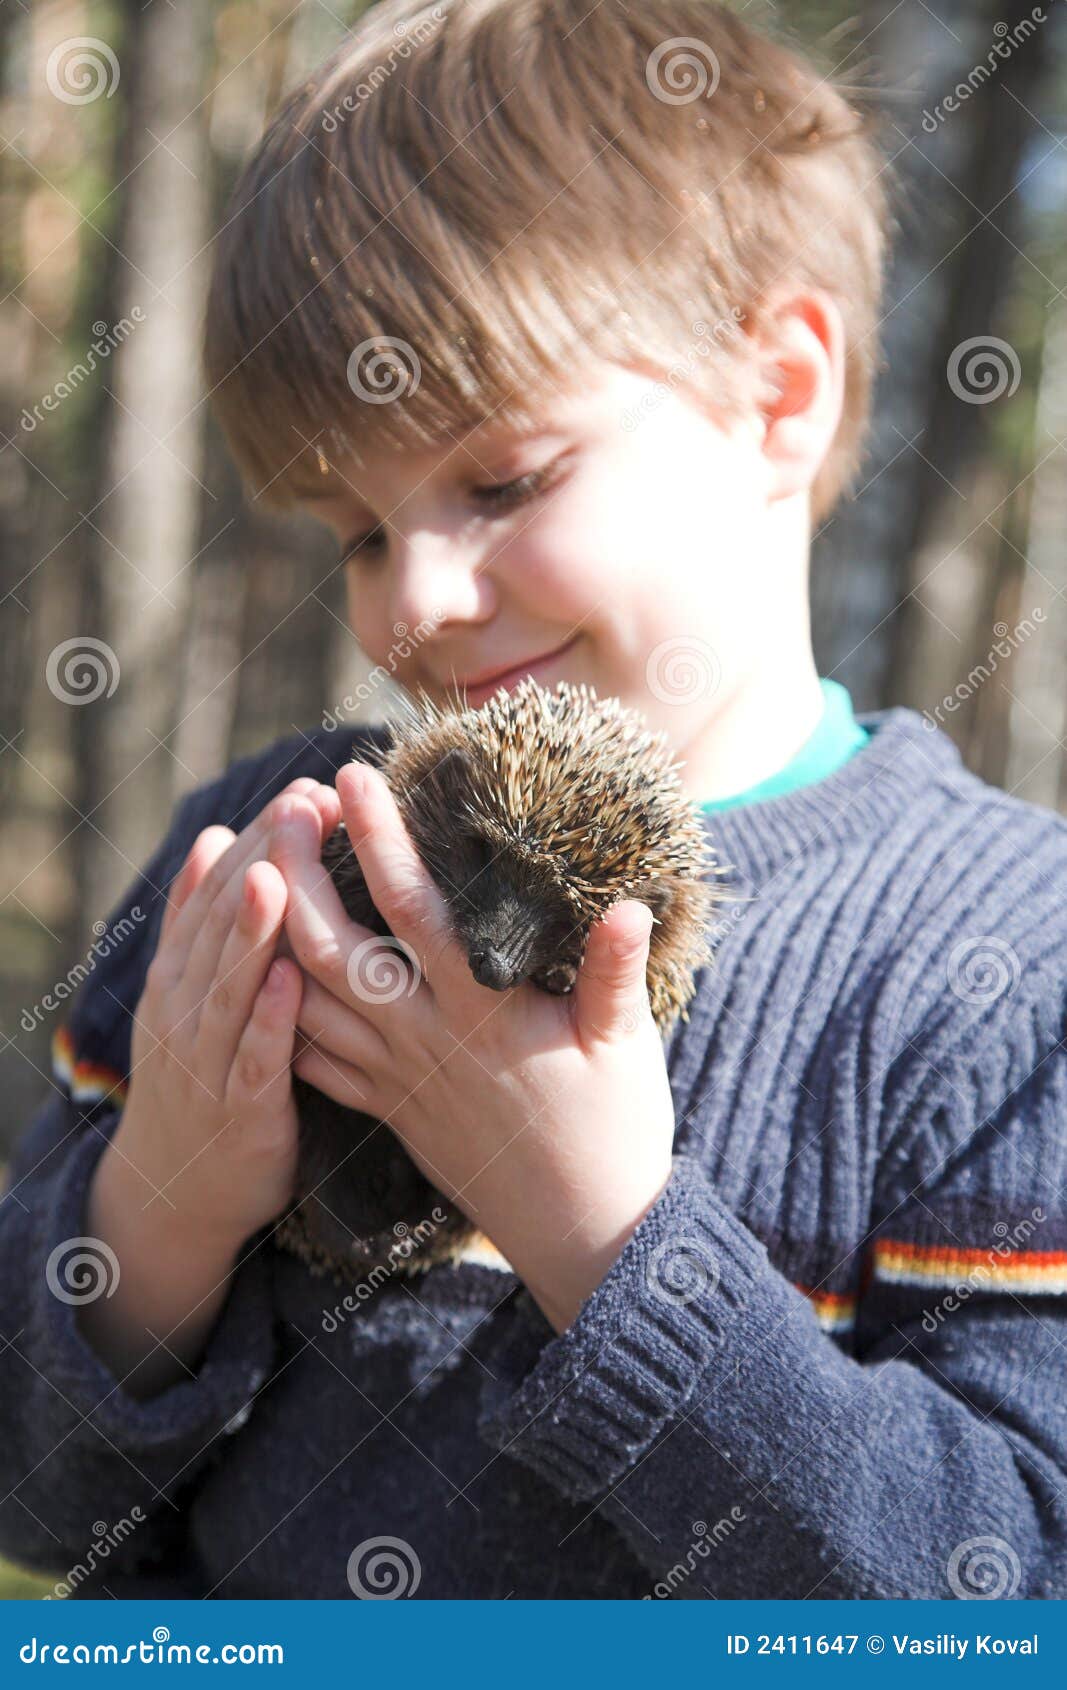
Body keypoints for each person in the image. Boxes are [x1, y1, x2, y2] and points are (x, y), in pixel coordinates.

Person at [2, 0, 1066, 1601]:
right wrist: (165, 1203)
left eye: (502, 480)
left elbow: (1002, 1591)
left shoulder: (1004, 965)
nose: (411, 602)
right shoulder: (268, 852)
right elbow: (38, 1494)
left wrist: (608, 1237)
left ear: (780, 392)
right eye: (356, 528)